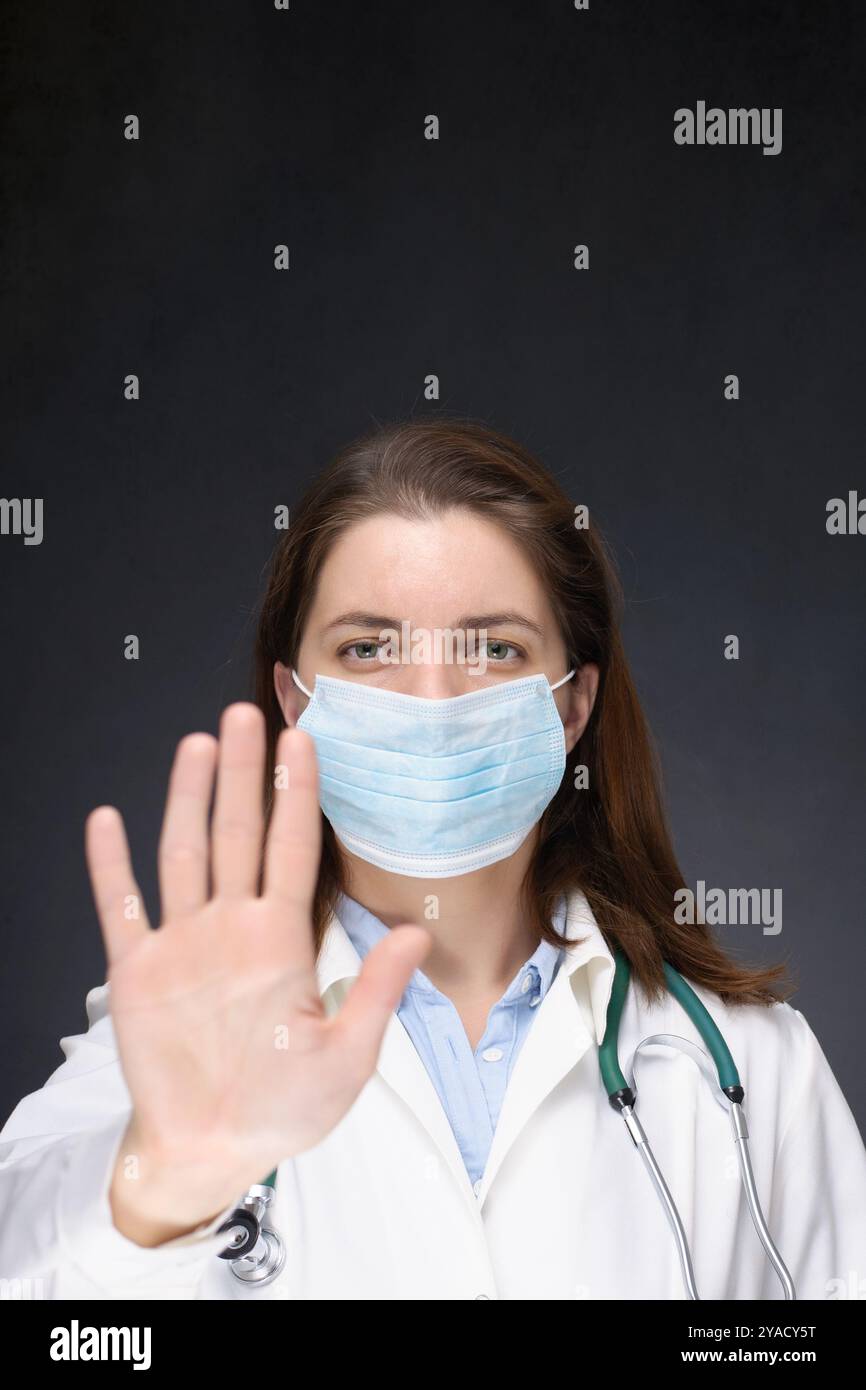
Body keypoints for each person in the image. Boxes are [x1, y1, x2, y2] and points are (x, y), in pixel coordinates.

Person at [1, 417, 865, 1301]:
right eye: (368, 648)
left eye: (495, 649)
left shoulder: (746, 1067)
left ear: (572, 708)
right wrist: (159, 1189)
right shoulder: (172, 1054)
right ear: (294, 701)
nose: (433, 698)